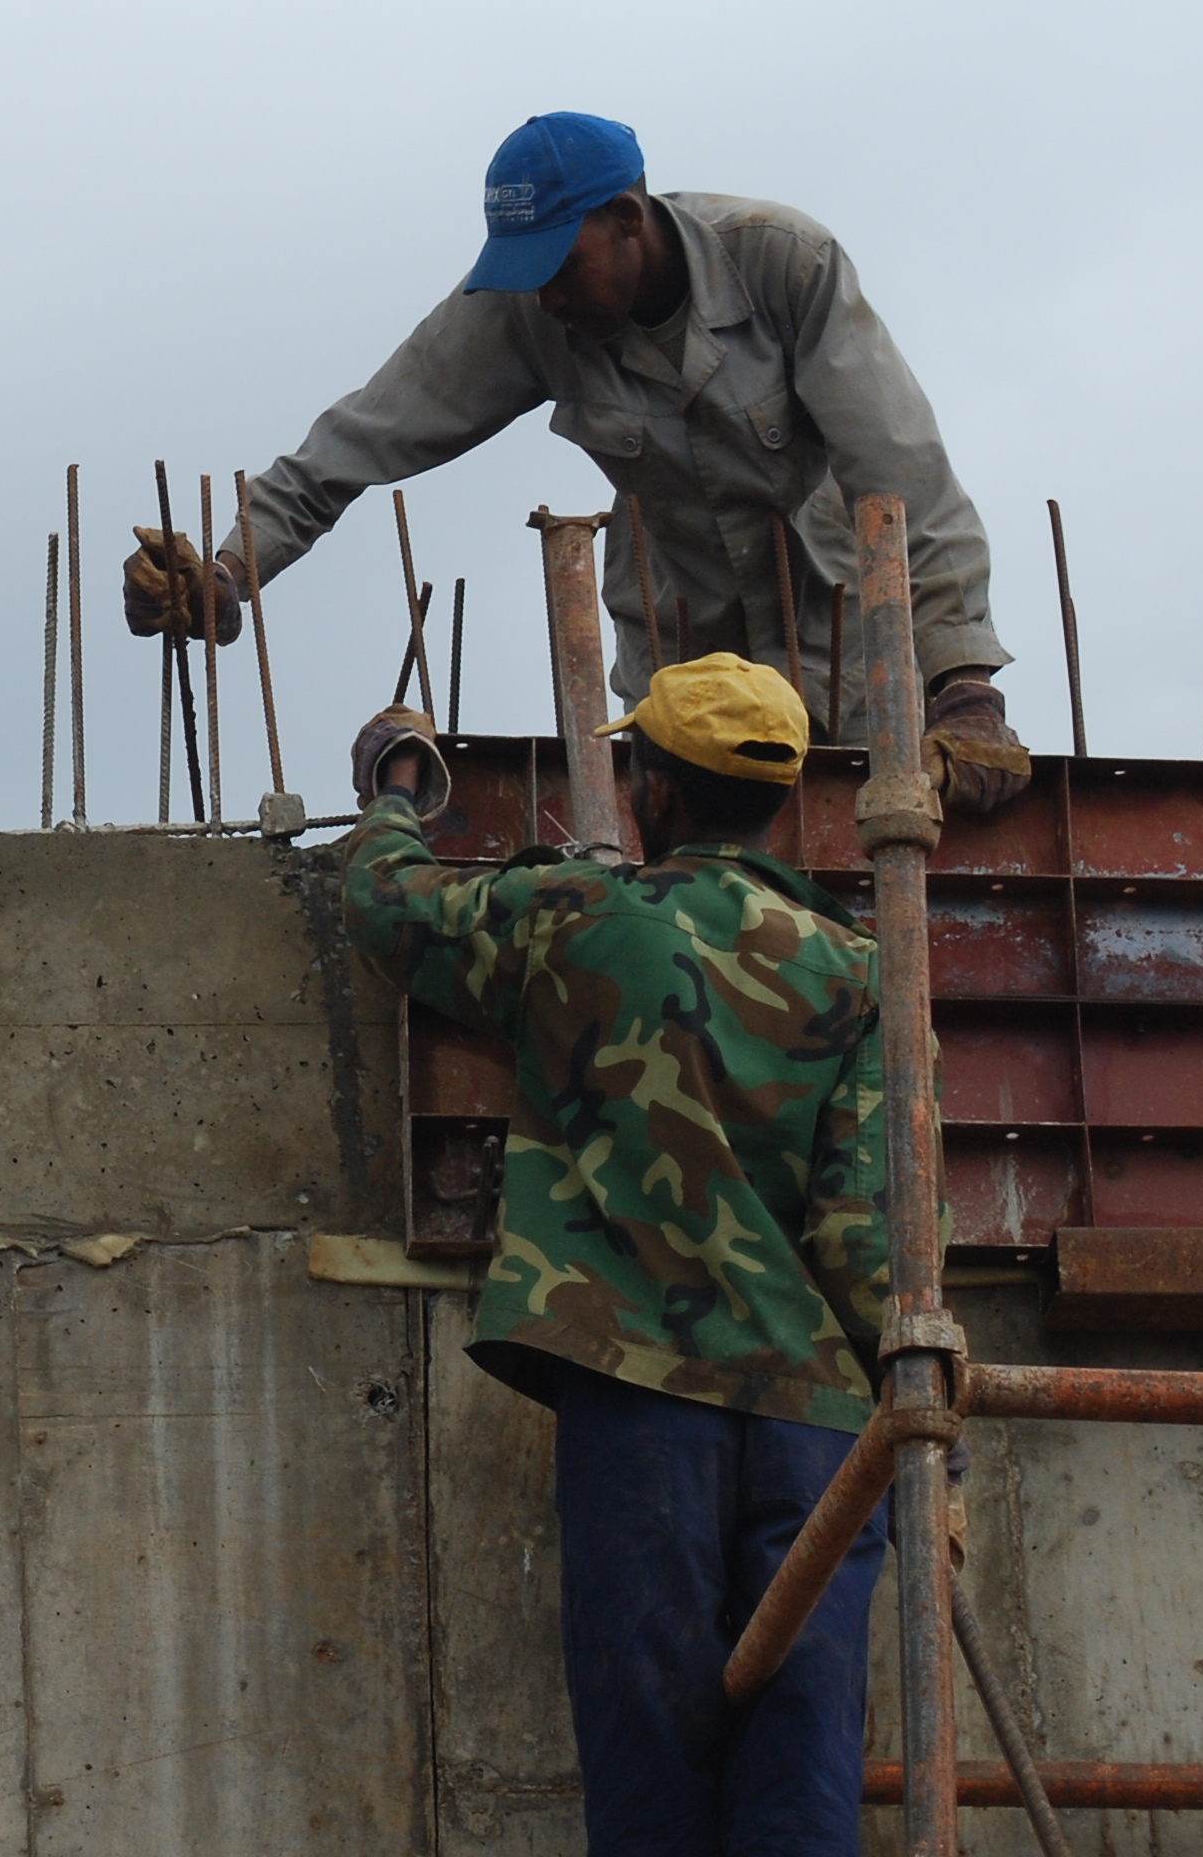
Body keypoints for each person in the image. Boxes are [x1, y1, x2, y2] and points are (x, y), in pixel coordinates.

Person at [345, 657, 889, 1852]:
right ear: (781, 799)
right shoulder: (857, 973)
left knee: (651, 1764)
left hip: (644, 1392)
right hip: (821, 1422)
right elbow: (869, 1242)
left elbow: (392, 908)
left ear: (652, 786)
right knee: (802, 1771)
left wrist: (391, 787)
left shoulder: (578, 920)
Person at [125, 110, 1032, 816]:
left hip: (844, 644)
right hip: (684, 661)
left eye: (562, 264)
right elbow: (355, 441)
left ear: (630, 219)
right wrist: (230, 570)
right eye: (527, 273)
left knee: (872, 884)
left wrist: (963, 685)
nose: (547, 295)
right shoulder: (528, 308)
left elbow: (901, 471)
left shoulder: (786, 265)